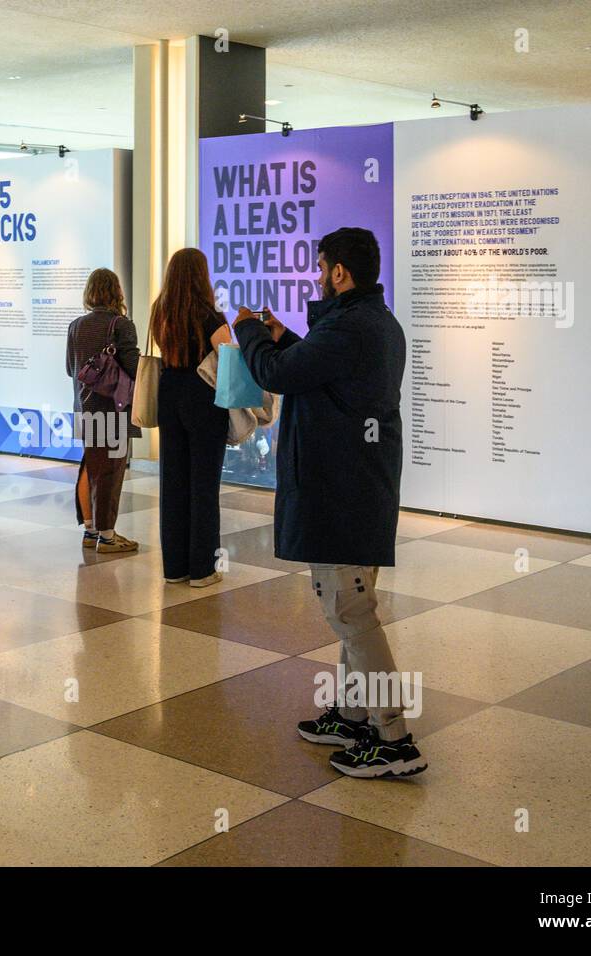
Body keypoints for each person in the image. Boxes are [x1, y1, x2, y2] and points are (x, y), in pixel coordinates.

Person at [233, 227, 426, 779]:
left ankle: (393, 738)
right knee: (351, 606)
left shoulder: (350, 326)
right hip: (358, 482)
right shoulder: (372, 322)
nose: (318, 277)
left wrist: (249, 331)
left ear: (340, 272)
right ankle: (353, 713)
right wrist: (285, 335)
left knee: (350, 610)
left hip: (343, 487)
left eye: (321, 268)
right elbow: (322, 372)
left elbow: (275, 373)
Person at [150, 248, 231, 587]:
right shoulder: (208, 313)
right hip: (203, 397)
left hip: (168, 394)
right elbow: (229, 354)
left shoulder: (161, 310)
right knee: (204, 484)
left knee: (174, 482)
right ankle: (203, 568)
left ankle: (175, 568)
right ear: (201, 275)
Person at [66, 268, 140, 553]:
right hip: (114, 408)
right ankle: (108, 536)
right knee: (111, 471)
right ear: (116, 292)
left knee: (91, 467)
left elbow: (70, 369)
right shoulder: (121, 325)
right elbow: (134, 367)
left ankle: (90, 530)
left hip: (84, 409)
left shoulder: (75, 325)